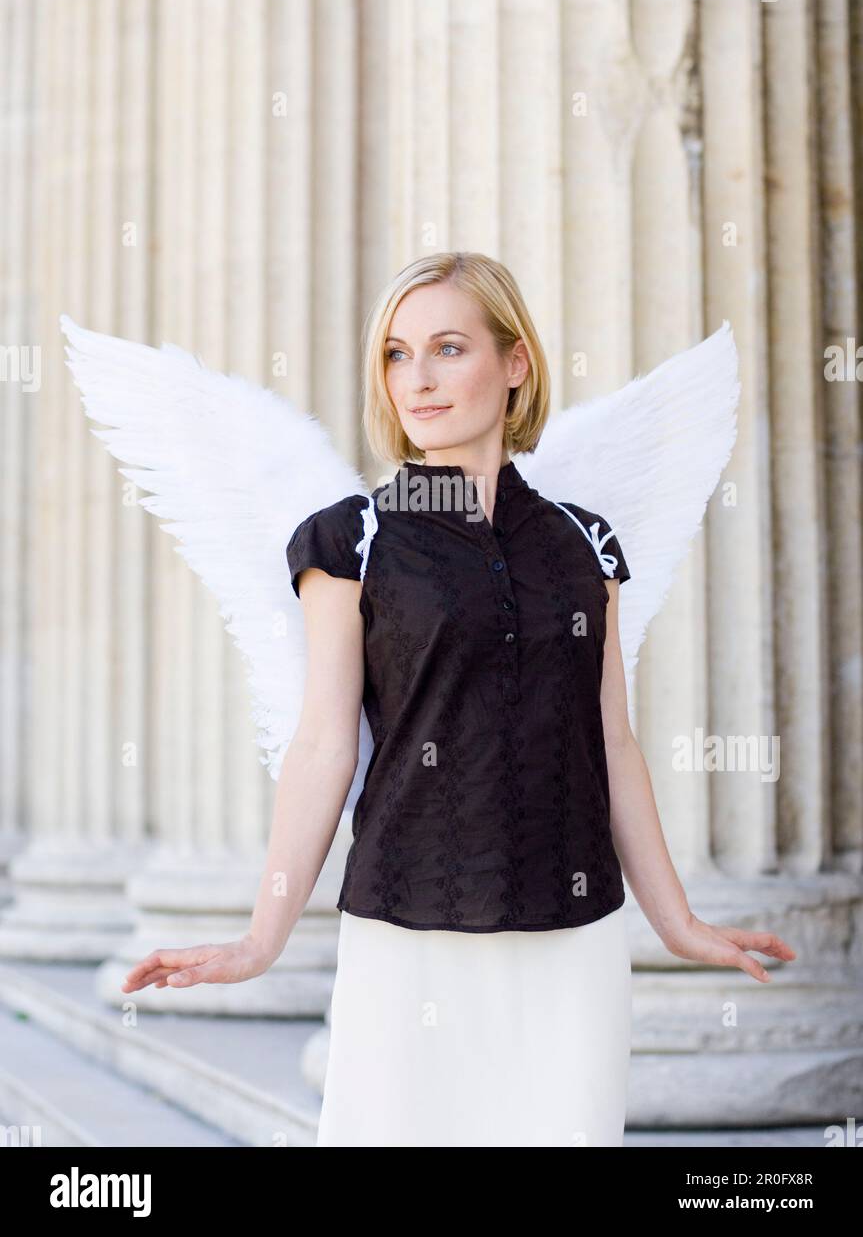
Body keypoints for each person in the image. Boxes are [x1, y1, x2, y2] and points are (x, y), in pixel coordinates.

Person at [121, 252, 796, 1147]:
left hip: (573, 939)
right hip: (410, 937)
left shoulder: (585, 544)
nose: (419, 378)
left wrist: (673, 921)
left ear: (514, 363)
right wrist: (260, 939)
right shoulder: (350, 540)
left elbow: (613, 744)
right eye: (397, 355)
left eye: (447, 347)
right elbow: (324, 746)